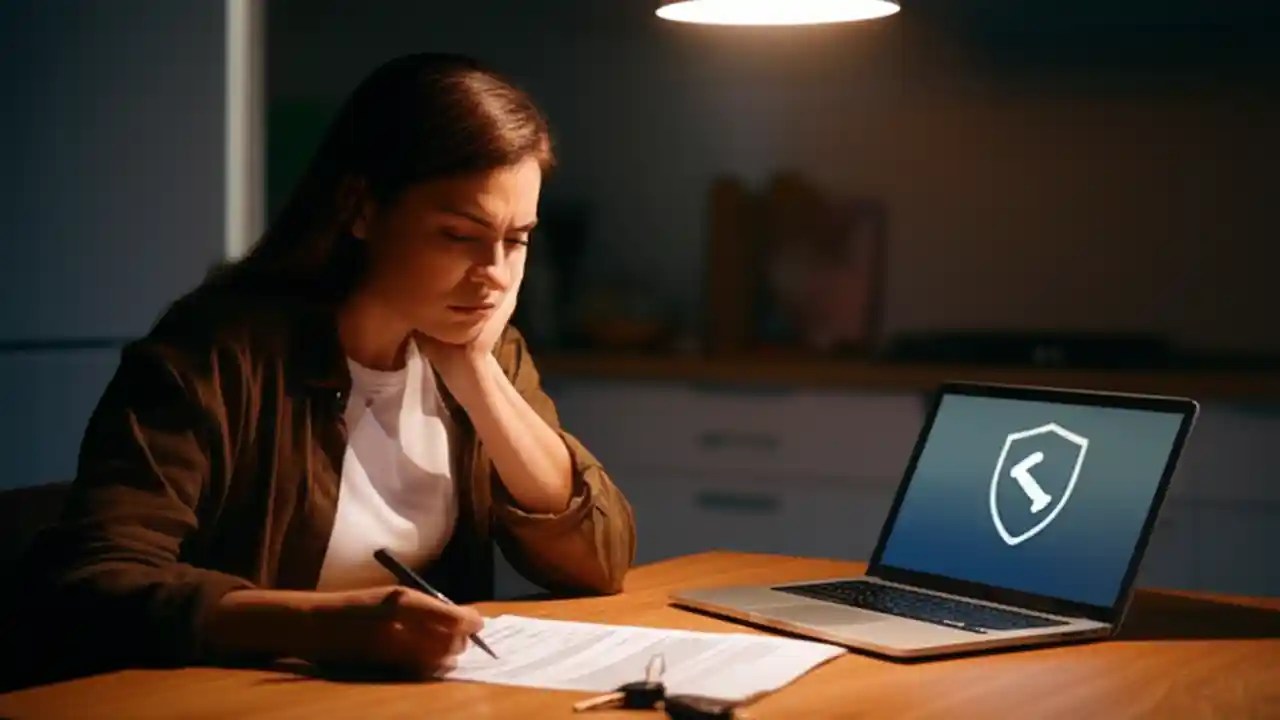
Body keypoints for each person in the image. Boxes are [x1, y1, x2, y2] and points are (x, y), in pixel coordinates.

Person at [5, 52, 636, 687]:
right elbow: (95, 581)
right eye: (458, 235)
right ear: (360, 209)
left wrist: (475, 370)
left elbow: (597, 560)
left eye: (517, 239)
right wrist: (319, 626)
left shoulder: (486, 346)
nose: (496, 275)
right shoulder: (220, 352)